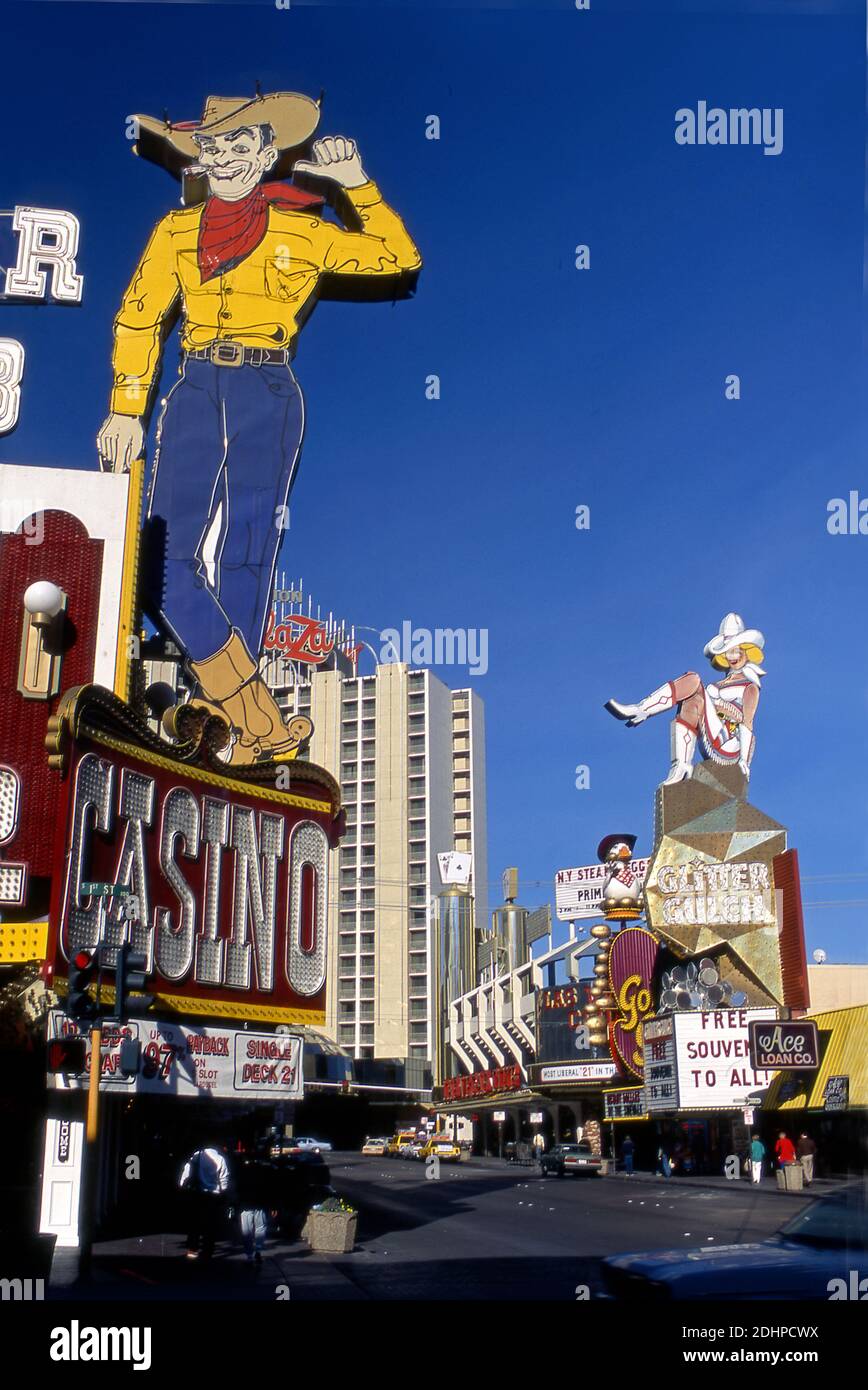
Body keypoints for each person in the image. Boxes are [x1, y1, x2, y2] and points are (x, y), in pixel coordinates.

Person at [97, 92, 420, 766]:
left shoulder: (301, 231)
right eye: (213, 146)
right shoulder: (174, 232)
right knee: (159, 566)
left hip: (268, 388)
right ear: (200, 156)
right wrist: (127, 407)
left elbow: (396, 259)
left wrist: (357, 183)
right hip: (193, 387)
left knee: (248, 555)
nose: (226, 157)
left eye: (240, 145)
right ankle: (259, 718)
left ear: (267, 154)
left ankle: (234, 723)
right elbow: (139, 314)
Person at [606, 612, 765, 784]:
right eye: (728, 652)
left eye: (736, 651)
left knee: (693, 679)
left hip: (729, 742)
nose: (732, 656)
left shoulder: (749, 687)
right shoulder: (718, 685)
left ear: (746, 651)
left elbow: (747, 723)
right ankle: (681, 765)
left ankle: (641, 709)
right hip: (710, 735)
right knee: (692, 700)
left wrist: (744, 761)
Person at [179, 1143, 231, 1259]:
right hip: (214, 1196)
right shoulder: (220, 1159)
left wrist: (182, 1185)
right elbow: (224, 1178)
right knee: (210, 1224)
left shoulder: (197, 1155)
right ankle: (208, 1250)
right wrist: (223, 1192)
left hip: (198, 1194)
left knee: (195, 1222)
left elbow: (187, 1171)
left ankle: (193, 1249)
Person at [236, 1156, 276, 1263]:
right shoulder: (263, 1174)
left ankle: (249, 1254)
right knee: (261, 1228)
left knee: (247, 1231)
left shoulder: (241, 1174)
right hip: (259, 1204)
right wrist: (272, 1205)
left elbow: (237, 1190)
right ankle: (258, 1249)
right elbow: (269, 1190)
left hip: (246, 1205)